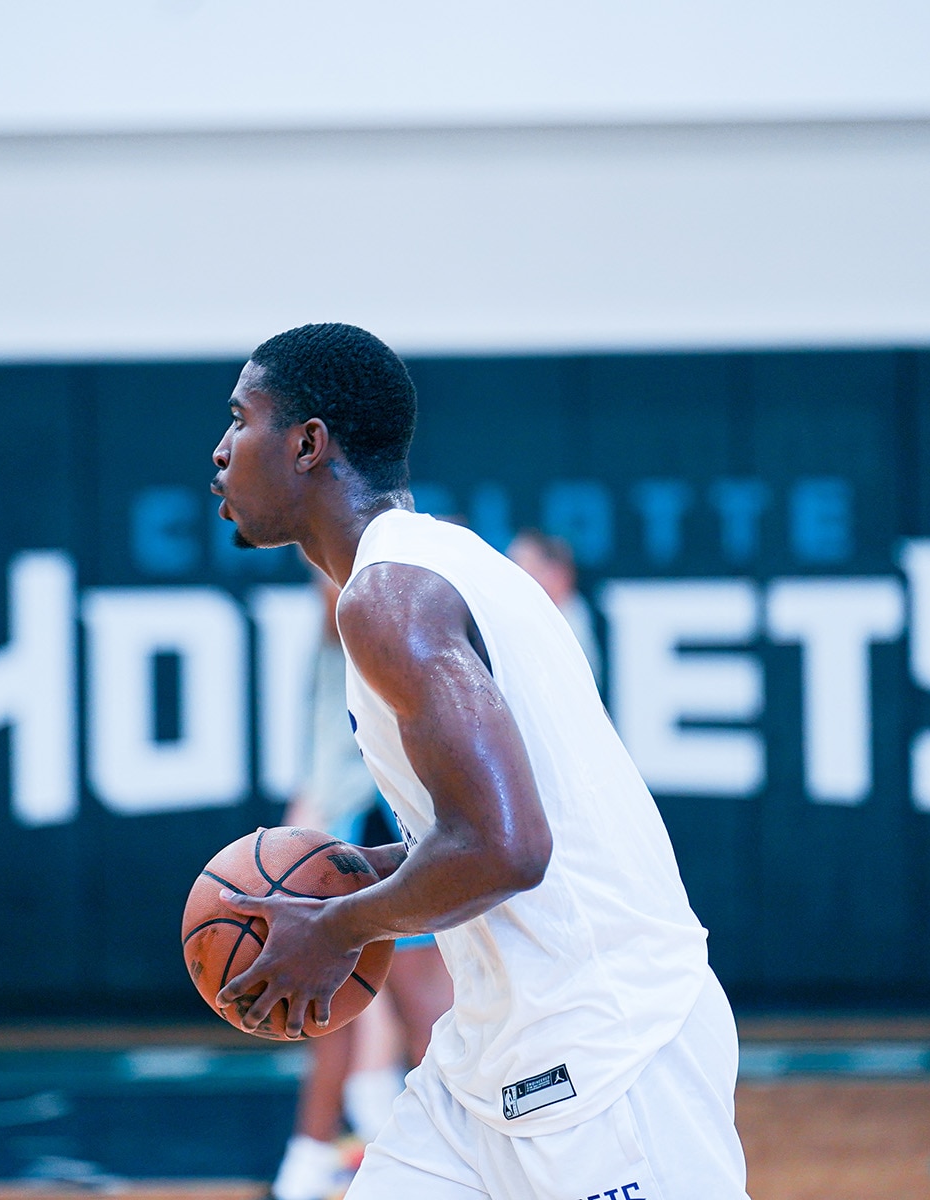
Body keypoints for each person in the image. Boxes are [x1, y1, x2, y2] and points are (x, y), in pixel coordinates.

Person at [209, 324, 749, 1198]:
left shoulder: (390, 597)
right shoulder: (436, 565)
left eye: (241, 420)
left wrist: (338, 928)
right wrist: (339, 874)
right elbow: (482, 823)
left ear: (309, 444)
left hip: (607, 1044)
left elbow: (510, 849)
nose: (221, 449)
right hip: (487, 1065)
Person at [272, 570, 454, 1200]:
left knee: (423, 1009)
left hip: (395, 821)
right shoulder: (350, 615)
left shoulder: (410, 626)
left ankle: (448, 1147)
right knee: (336, 1005)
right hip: (348, 819)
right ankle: (310, 1156)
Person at [505, 529, 600, 681]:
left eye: (524, 566)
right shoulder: (517, 614)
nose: (510, 576)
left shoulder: (573, 618)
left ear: (556, 573)